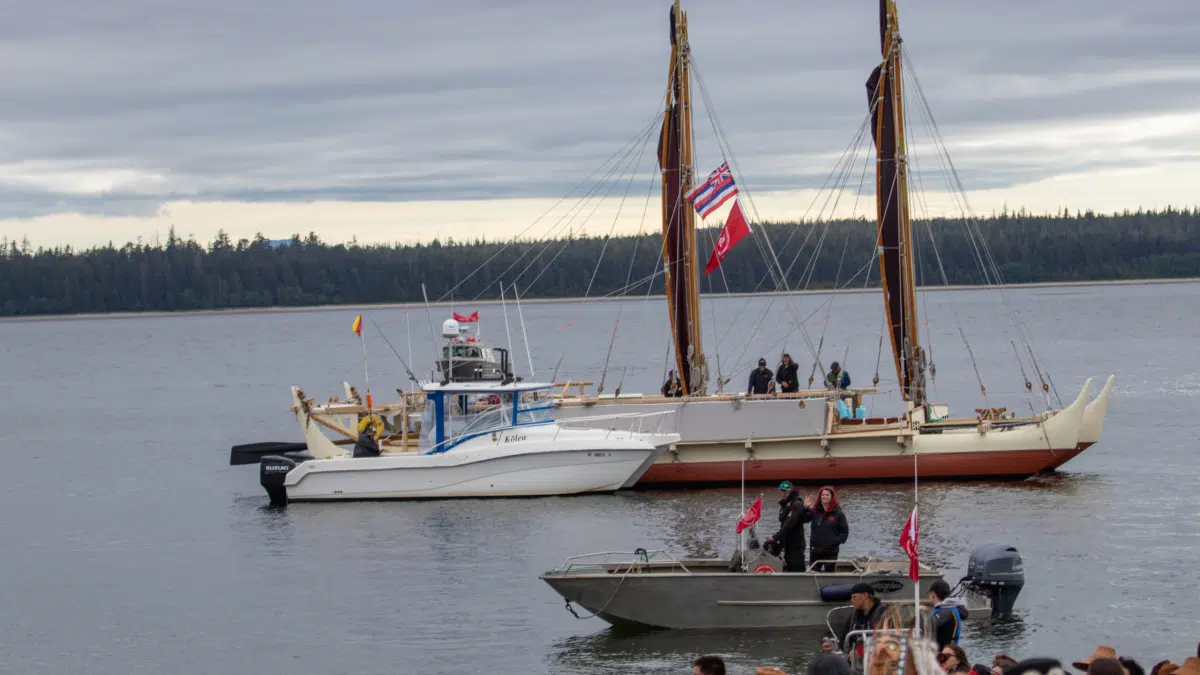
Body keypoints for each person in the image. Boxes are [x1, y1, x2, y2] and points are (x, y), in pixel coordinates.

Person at [828, 582, 885, 656]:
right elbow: (843, 639)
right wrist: (832, 646)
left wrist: (859, 651)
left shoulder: (885, 613)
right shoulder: (853, 616)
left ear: (865, 595)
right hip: (856, 660)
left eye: (854, 597)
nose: (851, 600)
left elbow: (888, 640)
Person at [766, 491, 814, 571]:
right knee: (789, 567)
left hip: (796, 545)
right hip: (788, 545)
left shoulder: (797, 504)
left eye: (786, 492)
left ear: (790, 492)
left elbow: (789, 524)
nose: (784, 494)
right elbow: (784, 524)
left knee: (797, 569)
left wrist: (775, 537)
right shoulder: (785, 505)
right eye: (782, 491)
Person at [808, 485, 850, 572]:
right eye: (823, 495)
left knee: (829, 572)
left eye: (827, 495)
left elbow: (845, 531)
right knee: (813, 572)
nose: (824, 497)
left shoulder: (838, 513)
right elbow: (803, 519)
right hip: (815, 549)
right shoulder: (814, 511)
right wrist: (805, 508)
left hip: (831, 550)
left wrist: (836, 541)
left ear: (832, 497)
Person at [929, 579, 963, 650]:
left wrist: (922, 612)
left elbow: (927, 624)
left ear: (933, 594)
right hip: (948, 651)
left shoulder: (945, 612)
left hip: (943, 656)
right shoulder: (952, 609)